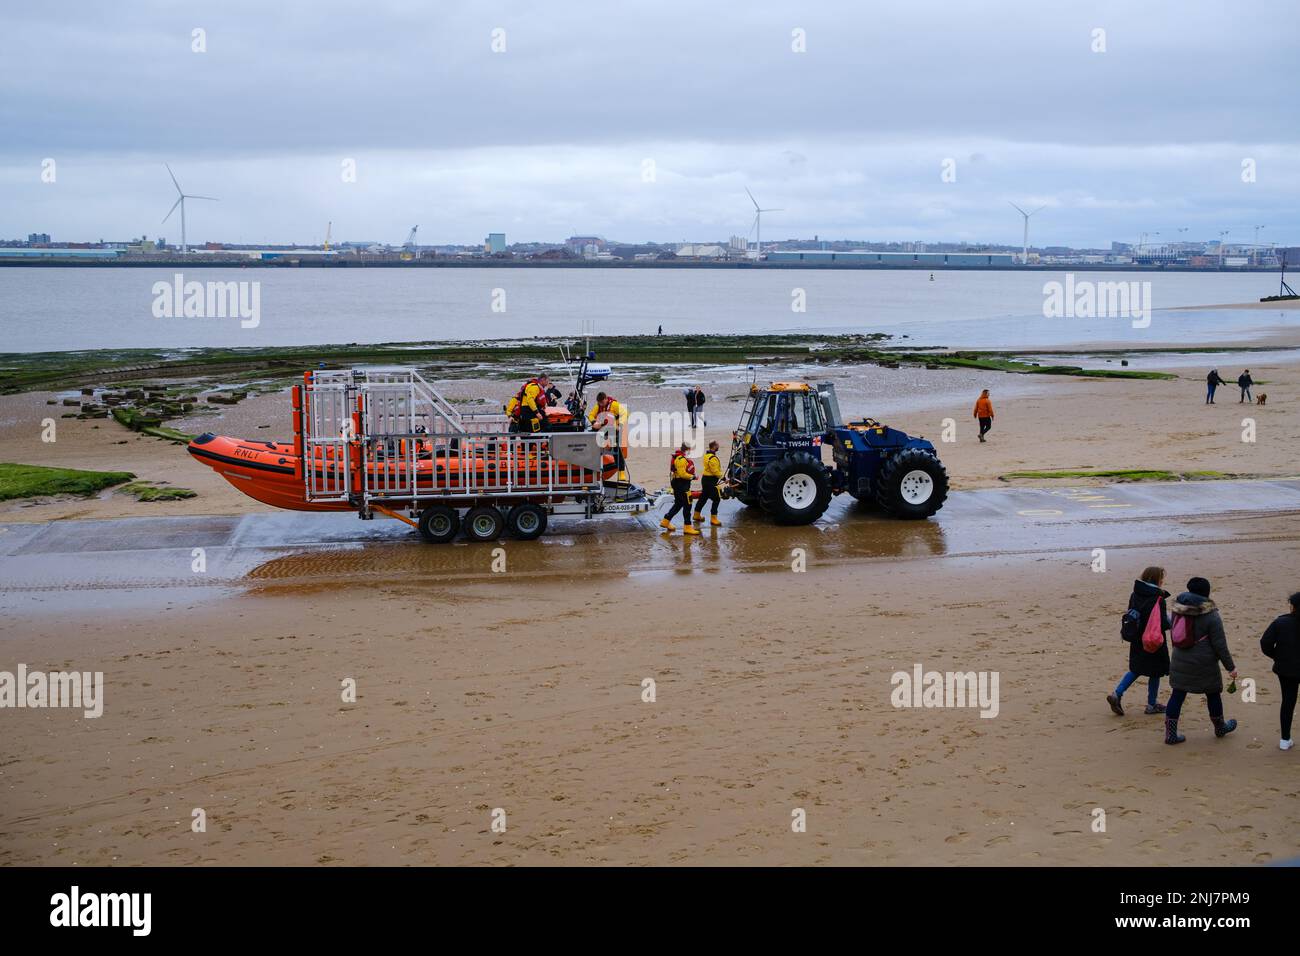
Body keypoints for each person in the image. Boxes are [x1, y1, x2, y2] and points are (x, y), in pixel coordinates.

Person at [1164, 577, 1239, 744]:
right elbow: (1220, 645)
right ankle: (1220, 727)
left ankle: (1170, 734)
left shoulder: (1177, 609)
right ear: (1207, 593)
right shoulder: (1211, 615)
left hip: (1179, 658)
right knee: (1213, 694)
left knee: (1177, 694)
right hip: (1204, 663)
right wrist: (1230, 667)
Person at [1107, 566, 1171, 716]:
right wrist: (1171, 622)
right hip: (1153, 640)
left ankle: (1117, 693)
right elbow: (1162, 623)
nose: (1163, 581)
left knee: (1136, 669)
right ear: (1157, 580)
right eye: (1162, 578)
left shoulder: (1135, 594)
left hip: (1137, 638)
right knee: (1156, 672)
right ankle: (1151, 704)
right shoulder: (1158, 598)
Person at [1259, 591, 1300, 751]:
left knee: (1288, 702)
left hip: (1286, 669)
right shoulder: (1281, 622)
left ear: (1293, 607)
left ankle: (1285, 739)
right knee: (1288, 702)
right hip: (1288, 667)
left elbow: (1265, 643)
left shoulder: (1281, 622)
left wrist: (1278, 656)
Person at [660, 444, 700, 535]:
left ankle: (665, 521)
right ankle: (687, 527)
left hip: (677, 483)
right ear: (687, 450)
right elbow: (683, 474)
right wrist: (693, 477)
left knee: (678, 504)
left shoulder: (678, 457)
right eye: (690, 450)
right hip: (681, 484)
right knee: (687, 505)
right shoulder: (681, 460)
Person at [587, 391, 628, 474]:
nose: (601, 405)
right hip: (603, 428)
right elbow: (591, 415)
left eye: (602, 402)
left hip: (613, 429)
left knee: (615, 448)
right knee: (591, 436)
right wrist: (594, 422)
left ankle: (621, 471)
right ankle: (593, 461)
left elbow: (625, 413)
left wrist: (619, 424)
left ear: (606, 399)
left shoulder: (614, 405)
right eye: (599, 403)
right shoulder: (598, 406)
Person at [693, 440, 723, 527]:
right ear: (714, 447)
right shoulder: (713, 458)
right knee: (716, 499)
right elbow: (715, 471)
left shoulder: (706, 456)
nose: (718, 447)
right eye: (717, 445)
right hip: (710, 481)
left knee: (703, 497)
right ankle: (714, 518)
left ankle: (696, 514)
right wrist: (724, 478)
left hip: (705, 479)